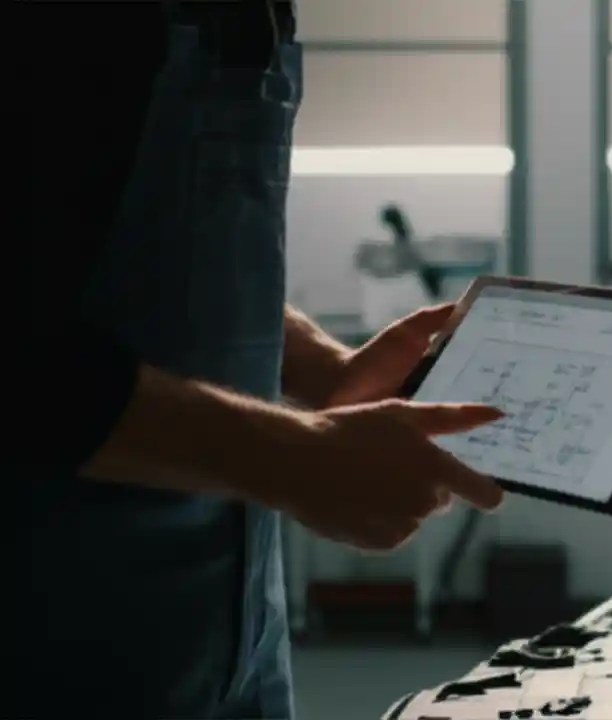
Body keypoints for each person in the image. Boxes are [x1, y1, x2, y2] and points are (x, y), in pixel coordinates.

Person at [15, 1, 504, 717]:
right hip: (57, 635)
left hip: (234, 630)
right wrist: (296, 459)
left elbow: (152, 260)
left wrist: (321, 369)